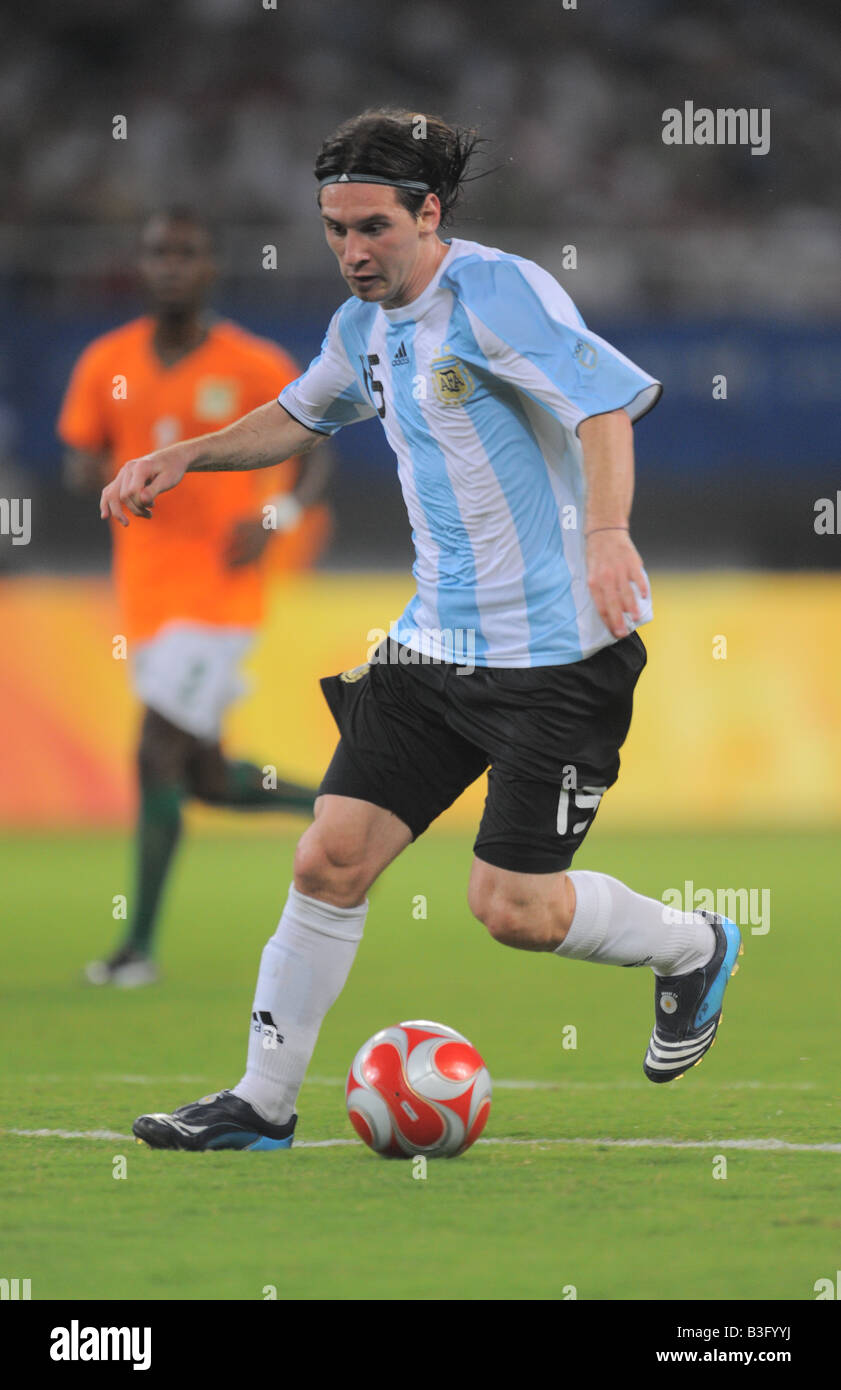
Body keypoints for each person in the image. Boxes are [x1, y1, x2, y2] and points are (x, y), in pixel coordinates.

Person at [100, 111, 741, 1150]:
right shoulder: (360, 328)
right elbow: (299, 413)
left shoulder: (498, 293)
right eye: (334, 229)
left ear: (428, 213)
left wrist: (609, 534)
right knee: (328, 858)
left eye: (373, 228)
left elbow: (603, 409)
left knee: (513, 909)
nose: (353, 251)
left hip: (556, 657)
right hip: (430, 649)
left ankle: (694, 944)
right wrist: (187, 455)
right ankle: (260, 1103)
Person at [59, 207, 330, 987]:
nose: (172, 266)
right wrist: (106, 474)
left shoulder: (251, 362)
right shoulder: (105, 361)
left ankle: (135, 949)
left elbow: (317, 447)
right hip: (143, 597)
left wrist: (276, 516)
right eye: (158, 254)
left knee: (153, 754)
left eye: (187, 253)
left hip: (220, 597)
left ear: (211, 268)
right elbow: (82, 458)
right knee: (205, 777)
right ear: (140, 266)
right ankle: (348, 805)